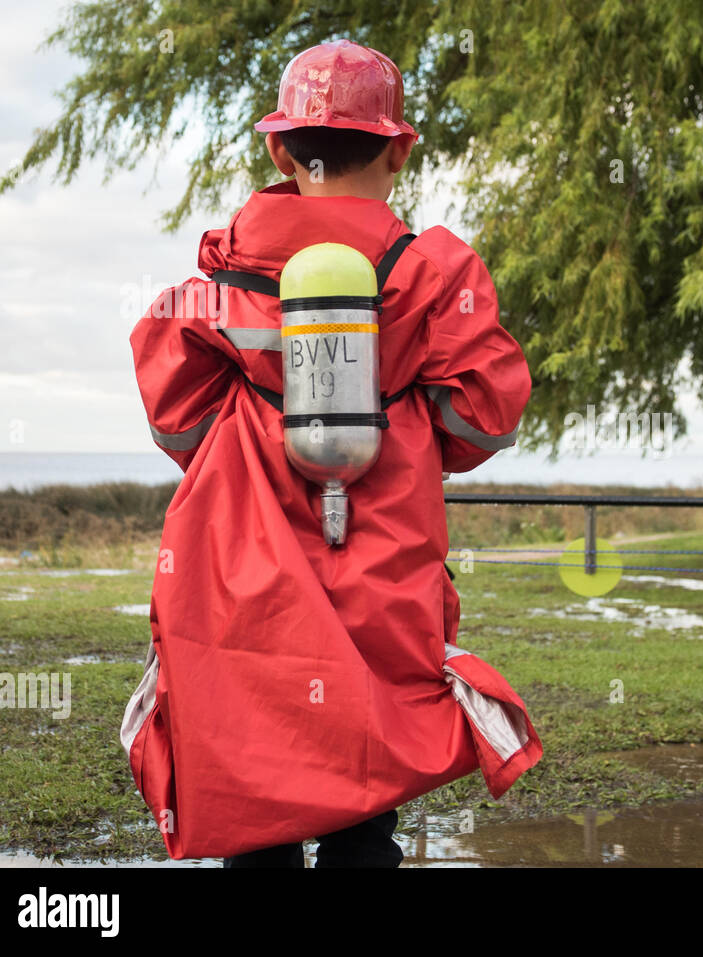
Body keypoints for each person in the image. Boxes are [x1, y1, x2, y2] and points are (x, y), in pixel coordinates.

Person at [120, 40, 542, 866]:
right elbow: (486, 418)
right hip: (383, 583)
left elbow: (175, 422)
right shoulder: (437, 273)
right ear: (399, 149)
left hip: (246, 591)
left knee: (257, 798)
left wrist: (258, 426)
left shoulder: (216, 283)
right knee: (363, 813)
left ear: (281, 150)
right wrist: (406, 411)